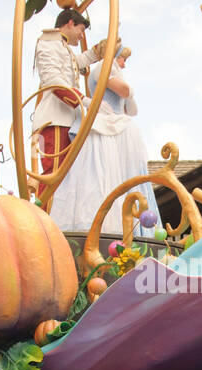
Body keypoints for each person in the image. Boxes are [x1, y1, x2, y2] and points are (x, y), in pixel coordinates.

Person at [49, 45, 160, 236]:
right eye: (123, 59)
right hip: (102, 126)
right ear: (113, 56)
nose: (124, 65)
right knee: (100, 176)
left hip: (119, 127)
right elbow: (124, 91)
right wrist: (129, 90)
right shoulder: (102, 68)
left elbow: (132, 110)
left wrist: (128, 92)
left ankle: (131, 227)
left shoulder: (116, 74)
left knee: (123, 176)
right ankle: (102, 225)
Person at [30, 8, 108, 176]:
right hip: (54, 121)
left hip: (68, 121)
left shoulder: (63, 48)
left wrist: (97, 52)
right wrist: (84, 101)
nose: (82, 36)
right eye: (81, 30)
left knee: (69, 177)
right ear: (70, 23)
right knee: (55, 174)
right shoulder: (48, 43)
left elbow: (74, 62)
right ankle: (43, 204)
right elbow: (52, 80)